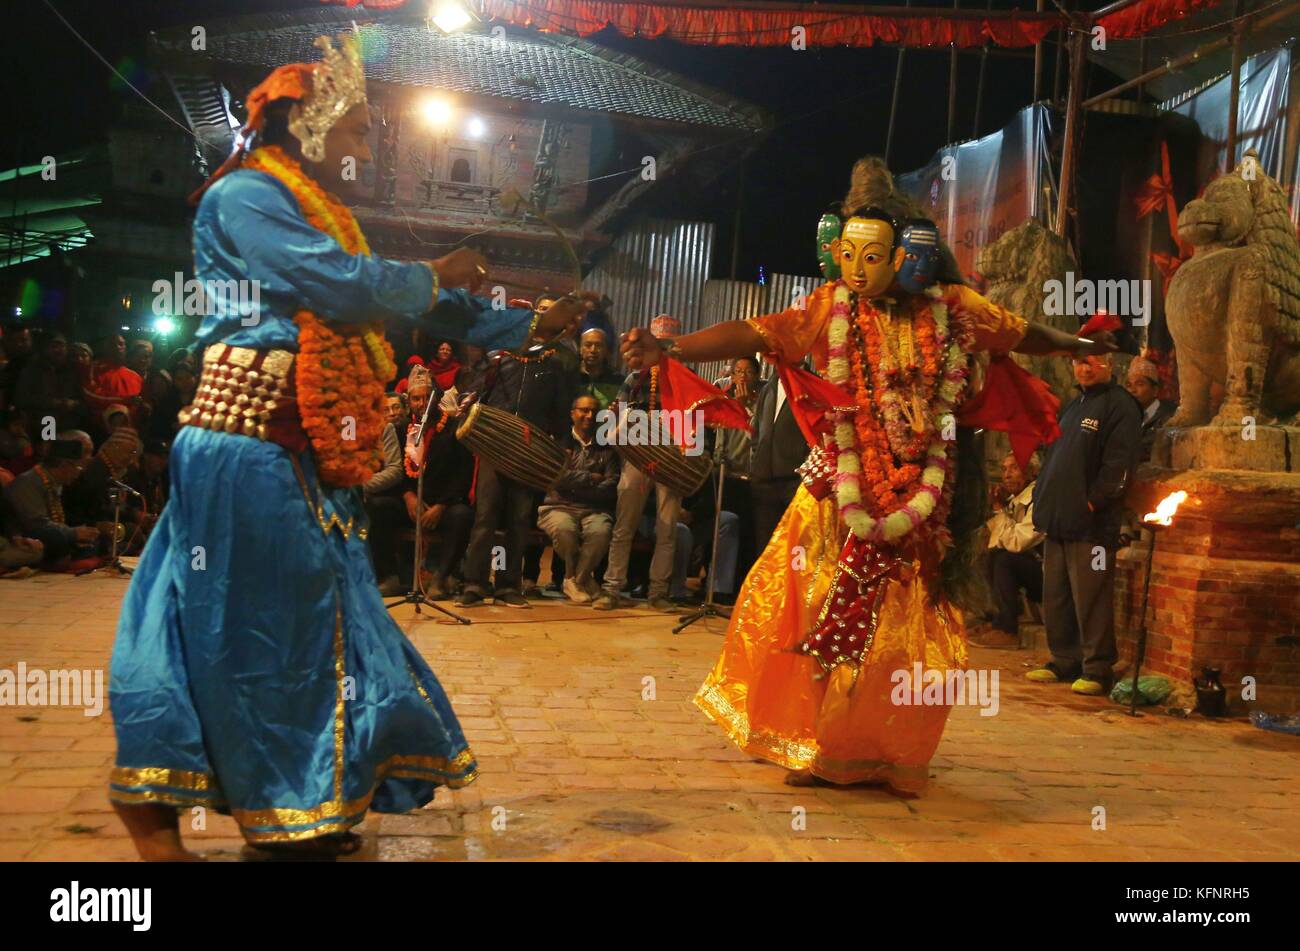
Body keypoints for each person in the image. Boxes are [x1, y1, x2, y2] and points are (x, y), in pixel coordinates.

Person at [107, 34, 593, 861]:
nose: (372, 147)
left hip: (303, 458)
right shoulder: (245, 200)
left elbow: (390, 294)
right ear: (307, 127)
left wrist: (526, 323)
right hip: (246, 446)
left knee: (320, 624)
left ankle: (308, 803)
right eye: (363, 130)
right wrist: (436, 270)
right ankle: (223, 805)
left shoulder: (319, 214)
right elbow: (338, 284)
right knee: (257, 629)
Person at [621, 158, 1114, 794]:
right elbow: (754, 331)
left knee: (901, 632)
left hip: (924, 500)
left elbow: (1023, 334)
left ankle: (881, 749)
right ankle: (815, 742)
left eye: (873, 255)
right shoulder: (828, 308)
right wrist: (676, 347)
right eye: (848, 254)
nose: (857, 269)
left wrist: (1077, 346)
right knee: (807, 605)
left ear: (909, 256)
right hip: (837, 489)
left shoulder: (954, 309)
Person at [1027, 352, 1141, 696]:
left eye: (1093, 361)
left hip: (1092, 524)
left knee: (1091, 598)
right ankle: (1064, 660)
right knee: (1057, 595)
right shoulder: (1074, 405)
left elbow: (1119, 466)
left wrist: (1094, 501)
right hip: (1058, 519)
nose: (1085, 368)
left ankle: (1097, 667)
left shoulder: (1121, 407)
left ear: (1111, 364)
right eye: (1079, 361)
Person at [456, 326, 575, 609]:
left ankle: (509, 586)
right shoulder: (497, 360)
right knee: (485, 518)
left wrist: (563, 441)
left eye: (534, 330)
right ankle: (474, 584)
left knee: (519, 520)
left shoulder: (552, 365)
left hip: (528, 453)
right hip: (493, 448)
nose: (529, 335)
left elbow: (560, 409)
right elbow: (474, 395)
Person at [595, 314, 688, 613]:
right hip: (636, 457)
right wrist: (616, 416)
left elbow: (694, 423)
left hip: (672, 458)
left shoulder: (684, 378)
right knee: (625, 525)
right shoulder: (634, 378)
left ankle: (658, 593)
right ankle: (612, 589)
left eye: (664, 344)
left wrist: (687, 459)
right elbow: (612, 423)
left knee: (667, 528)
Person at [537, 394, 619, 603]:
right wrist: (591, 477)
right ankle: (583, 581)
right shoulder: (558, 442)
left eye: (594, 411)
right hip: (557, 506)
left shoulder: (608, 447)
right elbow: (555, 476)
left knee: (601, 532)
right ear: (572, 414)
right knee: (565, 530)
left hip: (595, 509)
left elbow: (611, 484)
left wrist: (573, 487)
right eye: (584, 410)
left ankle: (574, 580)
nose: (589, 416)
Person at [970, 452, 1044, 649]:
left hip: (1047, 576)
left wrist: (999, 513)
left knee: (1005, 560)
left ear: (1031, 472)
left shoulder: (1038, 497)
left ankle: (1007, 629)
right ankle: (995, 619)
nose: (1007, 475)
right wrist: (999, 510)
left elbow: (1018, 541)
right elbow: (995, 541)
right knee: (989, 556)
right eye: (1004, 469)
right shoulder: (1014, 499)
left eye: (1014, 468)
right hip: (1030, 568)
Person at [4, 437, 98, 564]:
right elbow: (36, 524)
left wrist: (75, 534)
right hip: (24, 534)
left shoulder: (54, 482)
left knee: (91, 540)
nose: (78, 473)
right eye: (78, 467)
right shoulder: (28, 482)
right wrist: (72, 533)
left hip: (44, 531)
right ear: (65, 465)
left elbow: (57, 520)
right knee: (56, 539)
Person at [748, 366, 807, 554]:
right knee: (764, 546)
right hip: (764, 478)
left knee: (793, 546)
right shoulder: (769, 386)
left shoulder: (809, 385)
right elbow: (757, 429)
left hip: (794, 479)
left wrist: (804, 468)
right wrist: (759, 456)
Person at [16, 333, 84, 431]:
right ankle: (47, 442)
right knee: (48, 418)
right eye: (53, 346)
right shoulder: (32, 371)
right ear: (44, 349)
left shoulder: (73, 370)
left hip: (69, 422)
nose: (58, 350)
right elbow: (21, 398)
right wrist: (52, 403)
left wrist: (74, 403)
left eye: (61, 346)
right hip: (42, 422)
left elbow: (84, 398)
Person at [1124, 355, 1174, 462]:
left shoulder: (1168, 417)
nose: (1132, 390)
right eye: (1128, 385)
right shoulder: (1125, 416)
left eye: (1140, 384)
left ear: (1155, 390)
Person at [575, 310, 623, 409]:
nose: (593, 350)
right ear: (580, 349)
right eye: (588, 345)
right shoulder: (570, 377)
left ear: (606, 350)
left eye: (599, 345)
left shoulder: (618, 381)